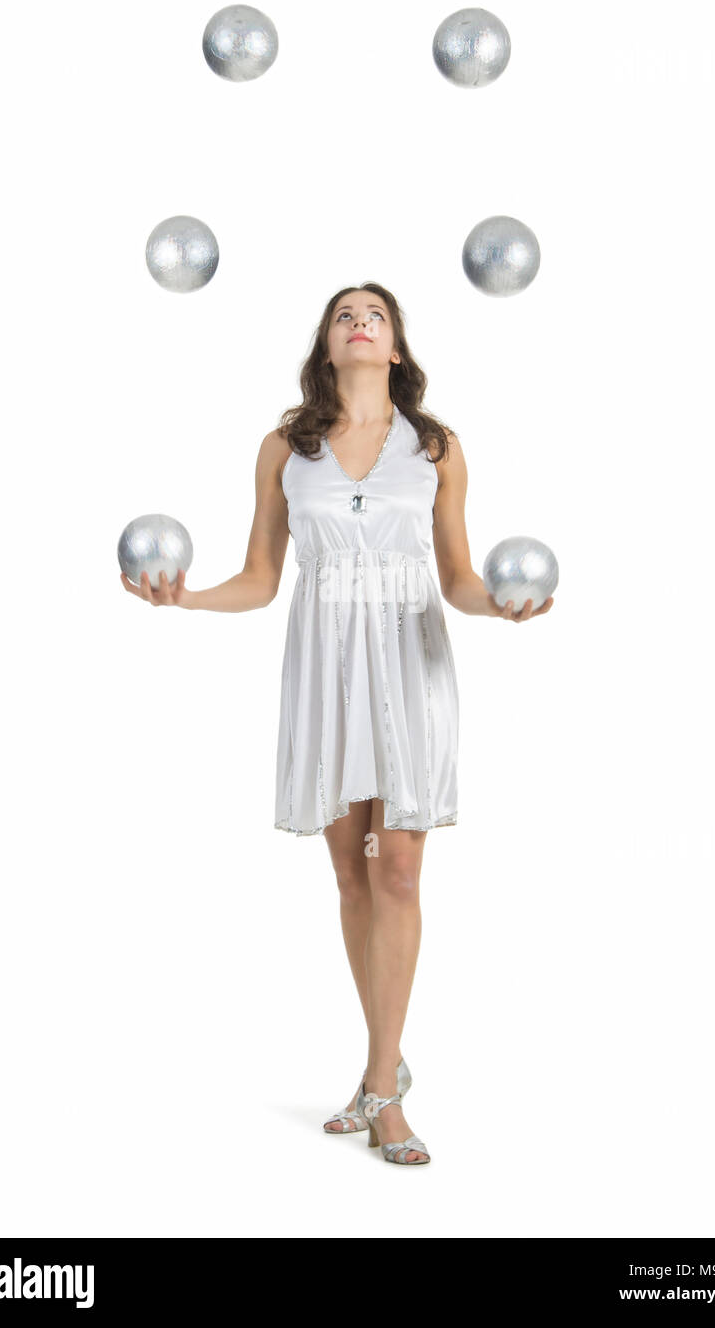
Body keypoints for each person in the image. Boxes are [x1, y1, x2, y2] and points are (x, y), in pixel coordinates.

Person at [120, 282, 553, 1166]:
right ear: (326, 343)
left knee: (395, 872)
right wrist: (187, 600)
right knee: (351, 881)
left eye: (377, 316)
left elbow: (461, 576)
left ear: (394, 348)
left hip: (407, 653)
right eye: (345, 314)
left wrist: (499, 609)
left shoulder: (435, 447)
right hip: (323, 661)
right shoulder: (288, 446)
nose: (360, 323)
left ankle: (383, 1086)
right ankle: (378, 1069)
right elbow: (259, 576)